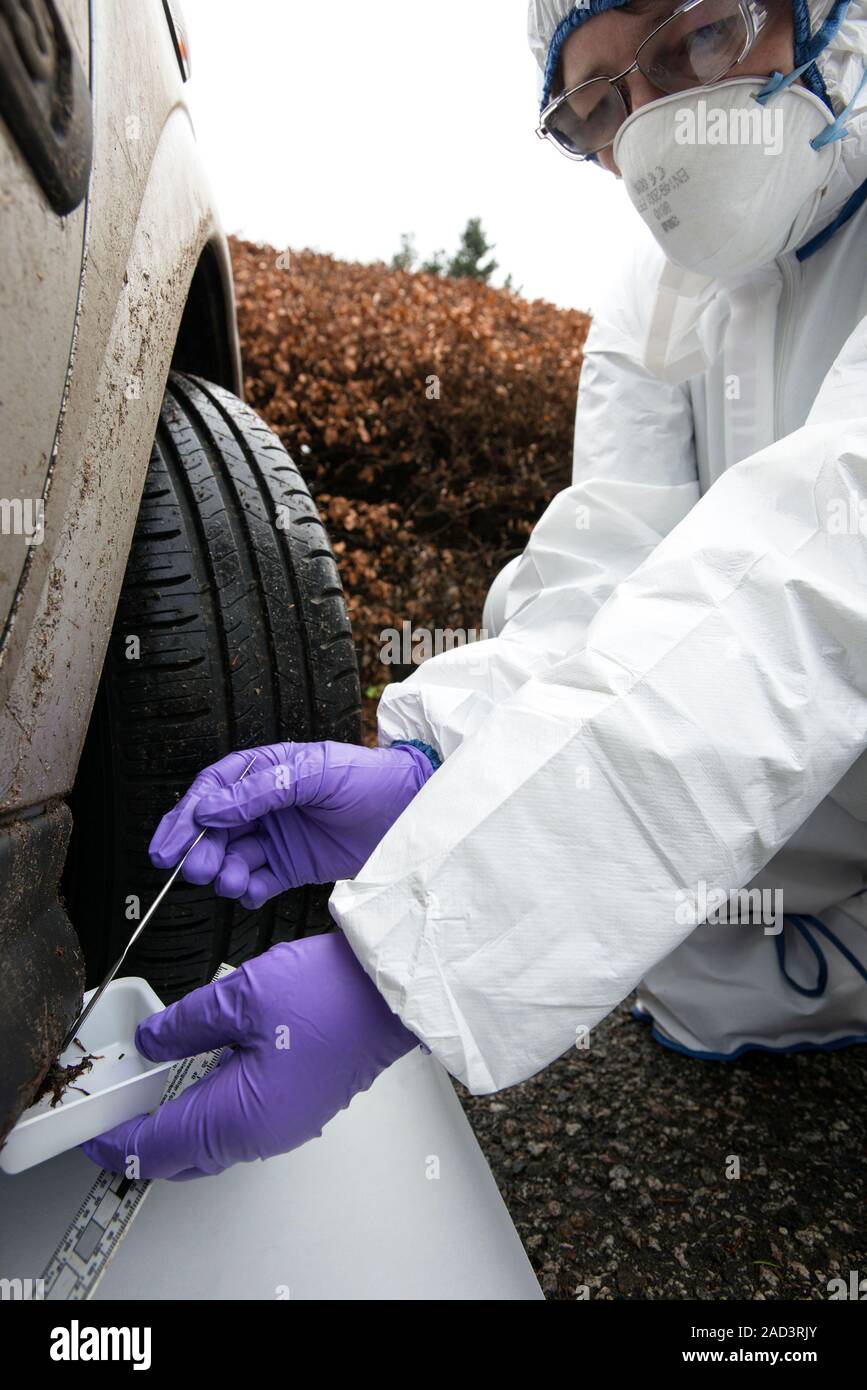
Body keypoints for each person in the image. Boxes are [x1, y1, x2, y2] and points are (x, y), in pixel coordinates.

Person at [85, 0, 867, 1180]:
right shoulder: (657, 294)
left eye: (699, 35)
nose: (653, 129)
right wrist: (436, 770)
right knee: (677, 946)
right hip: (786, 841)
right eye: (601, 105)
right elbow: (608, 578)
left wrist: (410, 957)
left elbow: (807, 592)